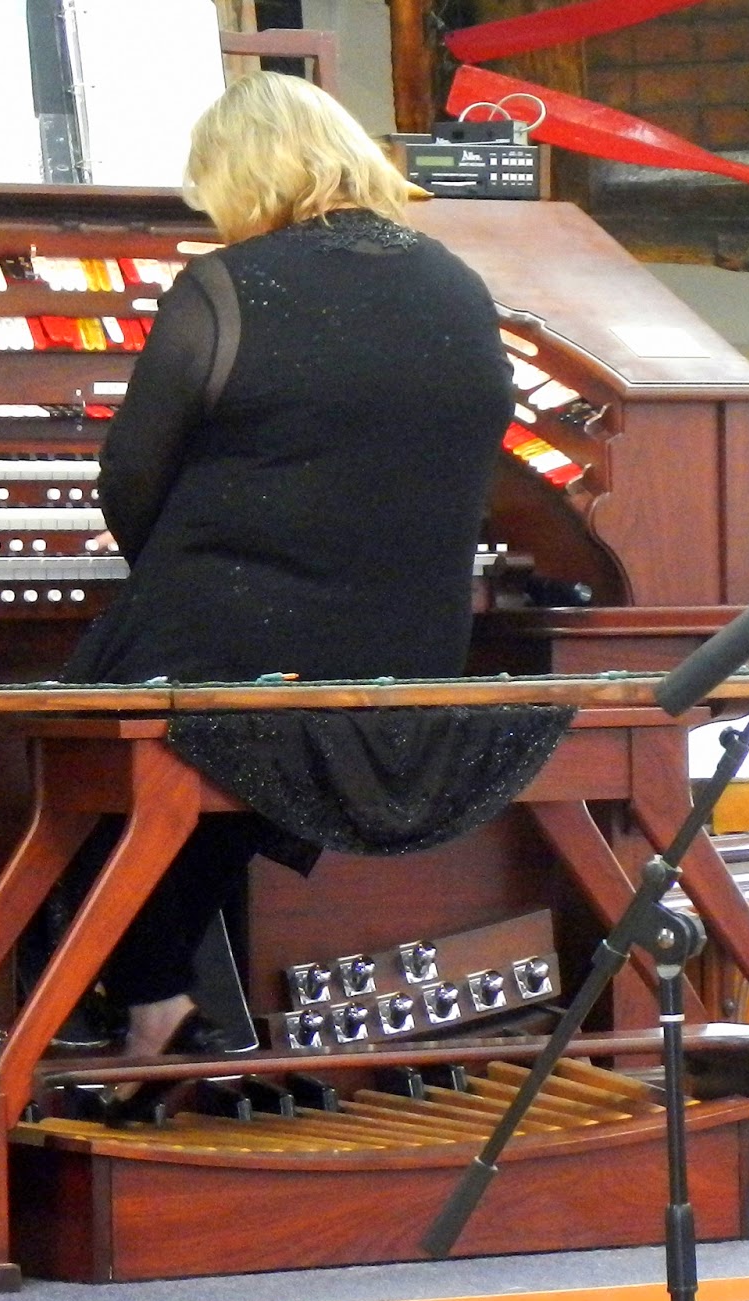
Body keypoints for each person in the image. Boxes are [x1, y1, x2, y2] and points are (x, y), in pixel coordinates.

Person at [52, 70, 515, 1069]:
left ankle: (143, 995)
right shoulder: (458, 283)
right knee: (223, 750)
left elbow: (130, 476)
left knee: (79, 735)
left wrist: (180, 569)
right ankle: (181, 997)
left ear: (242, 176)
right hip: (409, 643)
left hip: (239, 634)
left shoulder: (225, 285)